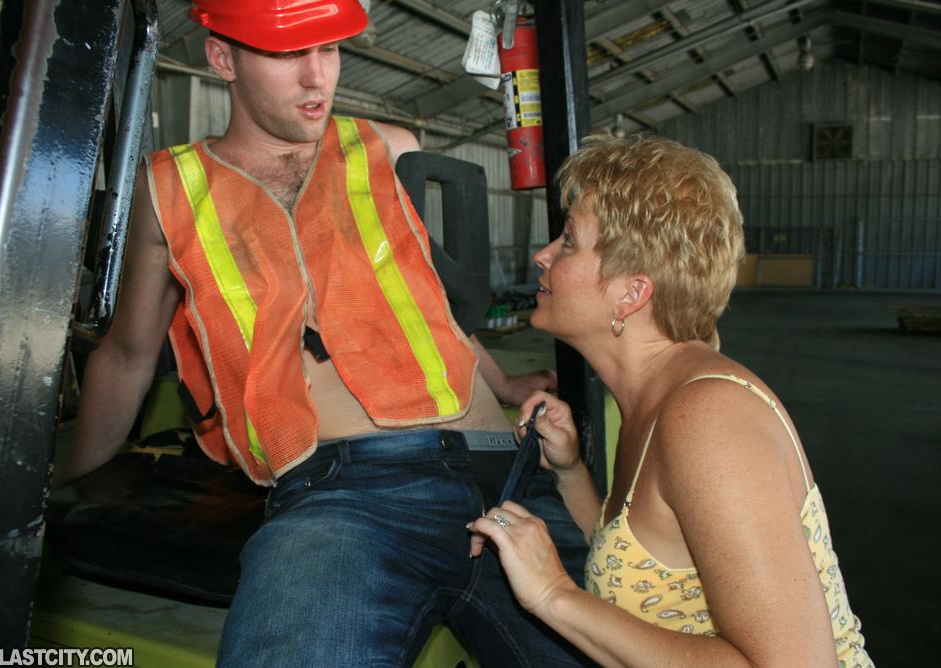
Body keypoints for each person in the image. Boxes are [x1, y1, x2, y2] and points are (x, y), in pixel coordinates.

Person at [60, 1, 592, 666]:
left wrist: (506, 381)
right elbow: (128, 355)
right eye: (288, 54)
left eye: (330, 49)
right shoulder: (170, 189)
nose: (318, 77)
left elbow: (421, 306)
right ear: (222, 59)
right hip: (346, 498)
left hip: (505, 468)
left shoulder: (389, 149)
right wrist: (54, 495)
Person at [468, 135, 873, 666]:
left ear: (631, 294)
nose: (542, 256)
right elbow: (649, 578)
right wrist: (570, 474)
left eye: (568, 242)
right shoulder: (652, 400)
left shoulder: (707, 420)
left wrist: (554, 595)